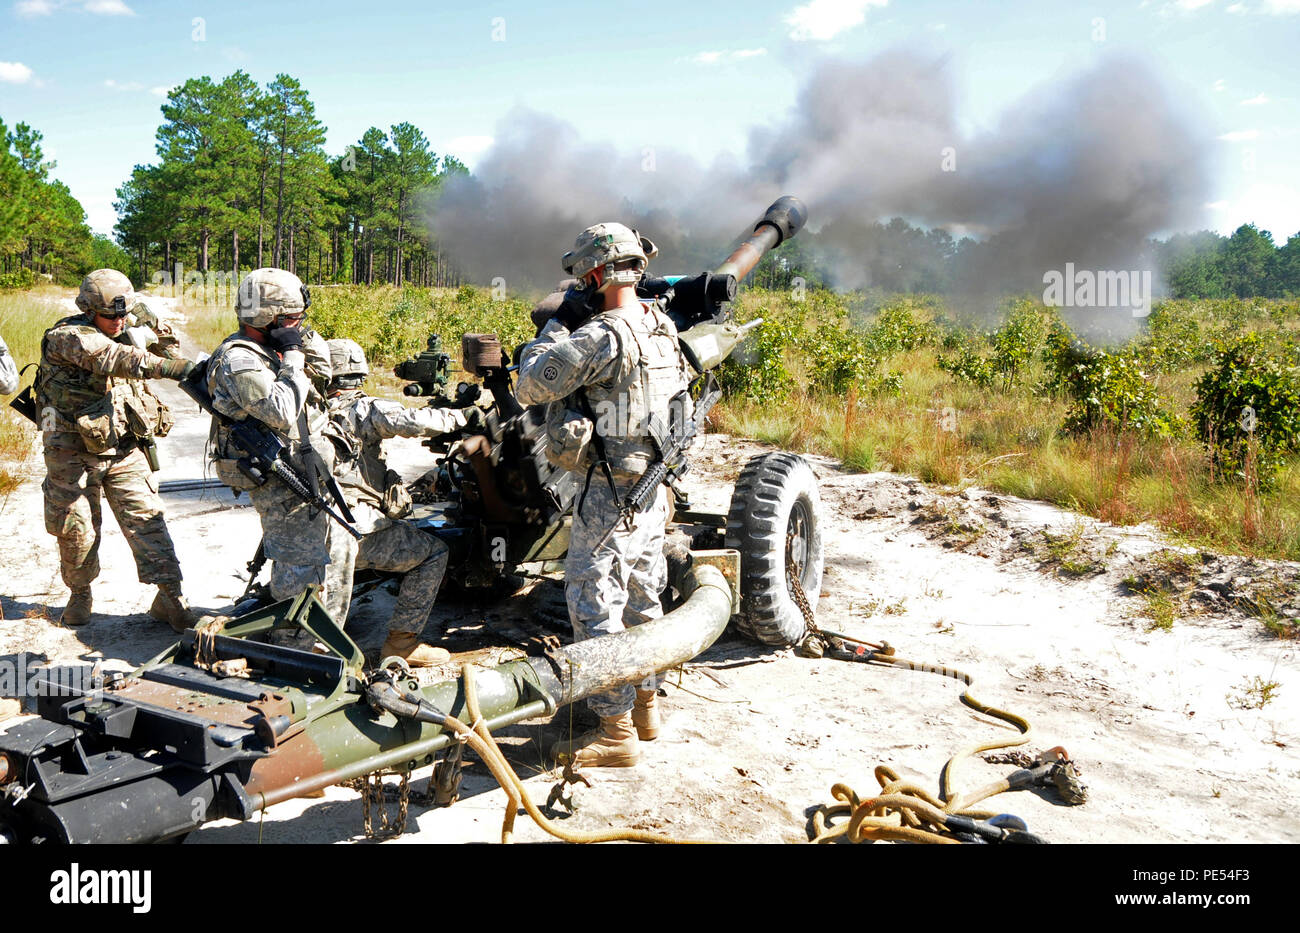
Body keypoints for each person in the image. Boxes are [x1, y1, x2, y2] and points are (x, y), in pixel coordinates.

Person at [515, 223, 692, 768]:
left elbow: (529, 384)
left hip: (608, 491)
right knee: (644, 596)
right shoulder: (662, 327)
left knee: (595, 604)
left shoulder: (603, 335)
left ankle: (614, 732)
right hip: (651, 485)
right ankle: (645, 706)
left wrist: (556, 327)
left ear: (594, 274)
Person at [35, 269, 198, 629]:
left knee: (147, 520)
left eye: (124, 313)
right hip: (71, 452)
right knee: (76, 529)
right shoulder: (68, 337)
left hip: (123, 447)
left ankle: (171, 597)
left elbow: (165, 350)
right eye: (111, 315)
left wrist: (158, 329)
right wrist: (177, 368)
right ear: (90, 310)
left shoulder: (126, 329)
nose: (120, 321)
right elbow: (117, 359)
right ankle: (79, 593)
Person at [205, 268, 353, 626]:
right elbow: (281, 412)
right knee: (299, 568)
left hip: (301, 474)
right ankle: (293, 644)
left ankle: (315, 635)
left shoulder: (271, 347)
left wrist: (298, 338)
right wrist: (292, 357)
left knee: (318, 560)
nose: (299, 324)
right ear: (270, 318)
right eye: (292, 318)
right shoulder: (239, 360)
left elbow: (324, 372)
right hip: (278, 482)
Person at [325, 338, 482, 666]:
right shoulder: (357, 410)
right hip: (350, 533)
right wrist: (464, 416)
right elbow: (410, 421)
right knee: (433, 553)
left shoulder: (304, 412)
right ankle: (401, 643)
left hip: (306, 529)